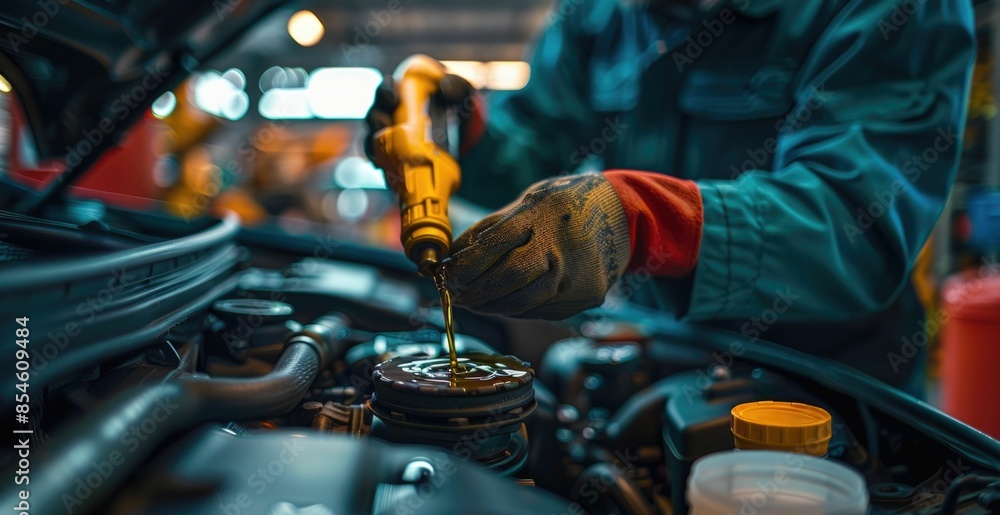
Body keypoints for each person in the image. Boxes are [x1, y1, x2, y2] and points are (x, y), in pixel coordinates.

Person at [366, 0, 976, 395]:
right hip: (652, 363)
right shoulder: (603, 15)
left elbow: (855, 224)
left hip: (830, 391)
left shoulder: (890, 11)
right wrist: (462, 136)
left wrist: (645, 222)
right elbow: (536, 145)